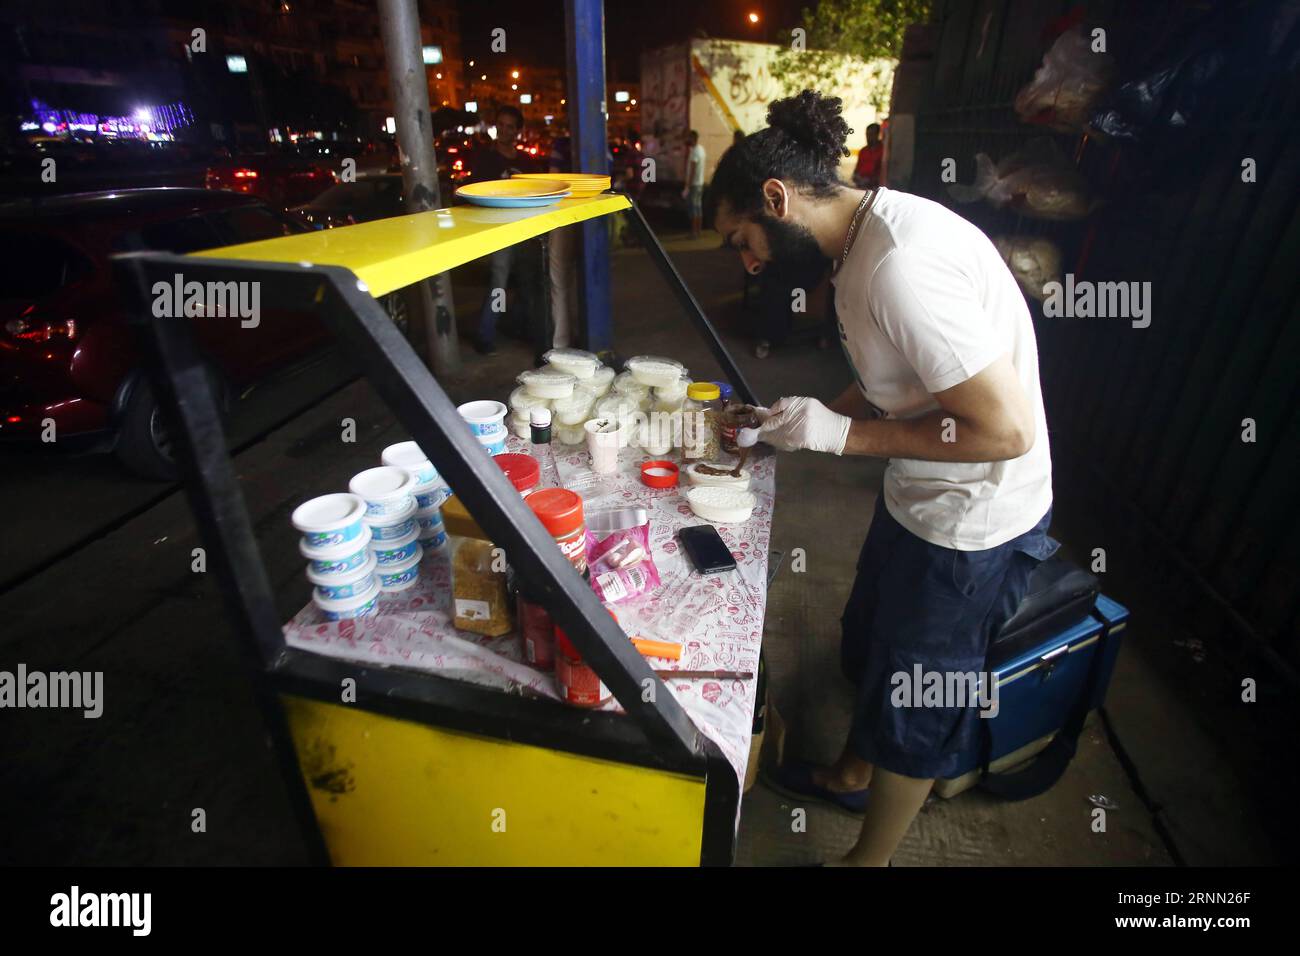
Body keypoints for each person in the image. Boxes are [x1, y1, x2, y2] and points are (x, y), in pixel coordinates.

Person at [708, 91, 1056, 866]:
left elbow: (1004, 432)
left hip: (974, 522)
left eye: (744, 239)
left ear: (778, 198)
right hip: (918, 495)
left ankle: (869, 860)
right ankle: (851, 773)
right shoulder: (860, 243)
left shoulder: (903, 265)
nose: (750, 261)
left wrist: (840, 439)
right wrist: (803, 421)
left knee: (920, 696)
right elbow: (890, 375)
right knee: (869, 645)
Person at [468, 105, 538, 354]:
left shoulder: (527, 161)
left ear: (518, 131)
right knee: (499, 283)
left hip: (525, 230)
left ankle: (525, 330)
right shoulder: (486, 159)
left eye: (510, 127)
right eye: (501, 125)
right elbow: (476, 192)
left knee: (528, 284)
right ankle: (485, 334)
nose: (504, 131)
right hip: (500, 231)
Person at [681, 129, 706, 238]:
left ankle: (694, 232)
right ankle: (698, 231)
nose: (687, 140)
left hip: (694, 184)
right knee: (698, 208)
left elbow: (692, 170)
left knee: (693, 208)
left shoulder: (695, 151)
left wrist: (687, 186)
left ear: (693, 138)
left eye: (689, 138)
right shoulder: (701, 149)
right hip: (699, 183)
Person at [852, 123, 884, 190]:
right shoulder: (863, 151)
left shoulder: (883, 151)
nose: (868, 137)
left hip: (875, 188)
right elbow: (856, 170)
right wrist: (856, 177)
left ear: (878, 135)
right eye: (867, 134)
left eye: (871, 134)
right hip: (861, 186)